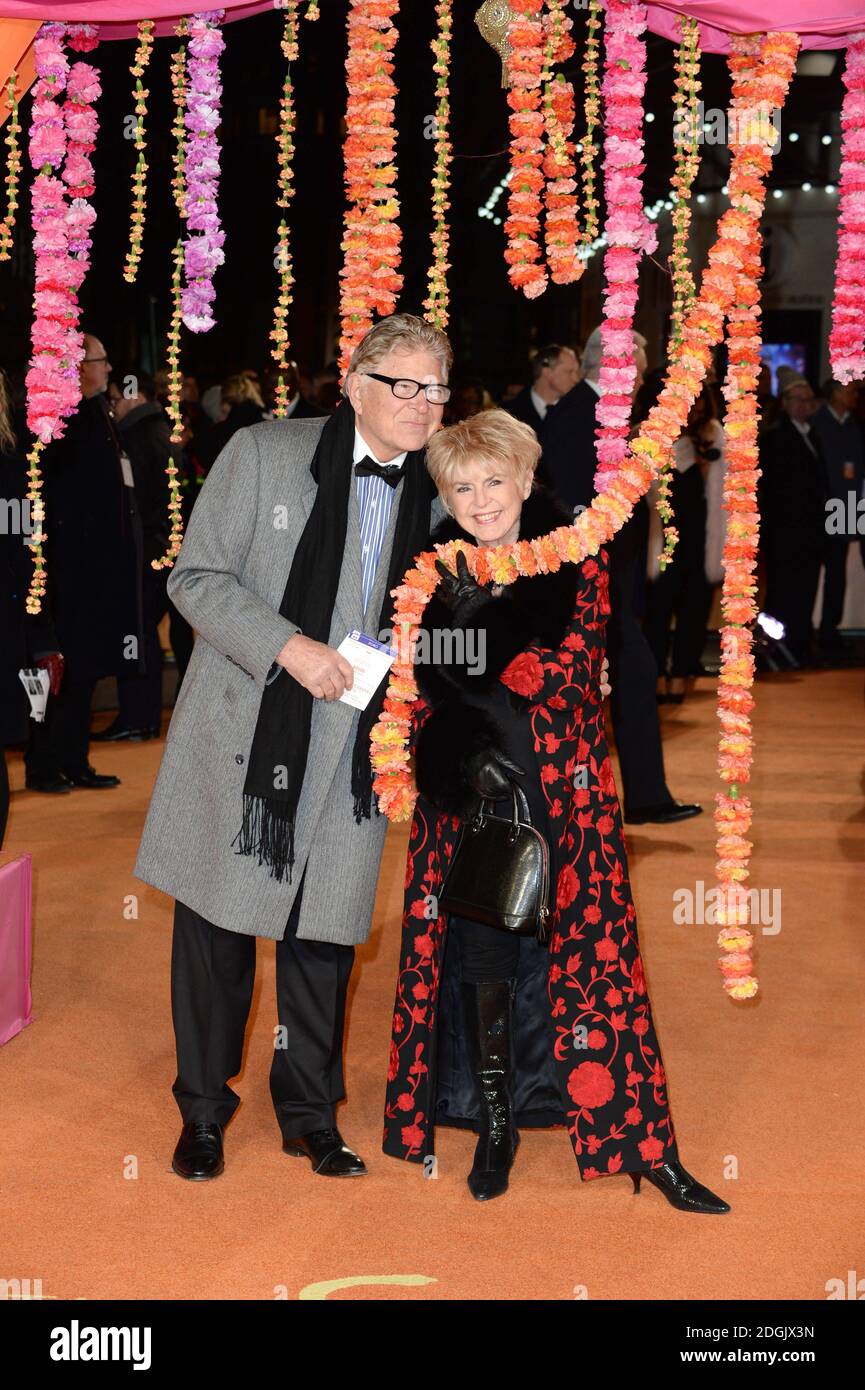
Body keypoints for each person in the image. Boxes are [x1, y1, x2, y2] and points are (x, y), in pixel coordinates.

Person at [382, 408, 728, 1215]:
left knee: (597, 967)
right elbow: (415, 692)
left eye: (492, 480)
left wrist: (485, 683)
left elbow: (570, 678)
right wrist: (462, 756)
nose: (478, 500)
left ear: (525, 480)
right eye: (460, 486)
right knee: (480, 959)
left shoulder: (573, 559)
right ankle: (495, 1122)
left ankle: (643, 1144)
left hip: (562, 795)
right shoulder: (426, 575)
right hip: (467, 800)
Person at [134, 313, 451, 1182]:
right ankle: (203, 1110)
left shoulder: (443, 486)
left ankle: (311, 1115)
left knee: (325, 937)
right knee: (217, 930)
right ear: (355, 385)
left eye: (436, 389)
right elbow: (193, 578)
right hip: (248, 734)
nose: (423, 405)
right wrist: (287, 644)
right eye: (405, 385)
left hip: (359, 748)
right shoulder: (266, 454)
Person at [539, 327, 701, 824]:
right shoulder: (577, 415)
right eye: (636, 368)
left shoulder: (600, 414)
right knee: (620, 676)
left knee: (630, 675)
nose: (638, 382)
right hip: (587, 578)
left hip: (610, 575)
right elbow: (564, 502)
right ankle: (611, 797)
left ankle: (643, 796)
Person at [23, 334, 144, 792]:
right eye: (102, 360)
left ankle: (74, 759)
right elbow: (62, 501)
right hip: (69, 574)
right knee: (56, 674)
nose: (110, 369)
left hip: (97, 574)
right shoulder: (63, 420)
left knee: (86, 671)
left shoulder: (99, 415)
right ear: (78, 367)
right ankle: (45, 762)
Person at [94, 372, 173, 742]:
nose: (112, 404)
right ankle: (141, 717)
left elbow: (140, 501)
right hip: (159, 547)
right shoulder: (160, 431)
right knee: (143, 634)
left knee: (138, 633)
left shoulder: (139, 436)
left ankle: (137, 717)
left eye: (116, 397)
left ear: (134, 395)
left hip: (147, 550)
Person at [645, 386, 726, 703]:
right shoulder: (656, 433)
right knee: (658, 612)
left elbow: (727, 489)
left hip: (701, 537)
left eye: (700, 402)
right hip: (664, 537)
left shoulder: (716, 435)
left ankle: (680, 678)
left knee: (694, 613)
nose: (694, 409)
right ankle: (656, 678)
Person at [759, 375, 829, 666]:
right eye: (799, 400)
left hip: (809, 530)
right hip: (785, 531)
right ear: (786, 404)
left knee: (805, 588)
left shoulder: (812, 434)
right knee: (783, 589)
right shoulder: (776, 436)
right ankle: (776, 648)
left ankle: (798, 644)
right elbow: (774, 488)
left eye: (808, 400)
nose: (805, 406)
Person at [810, 379, 865, 649]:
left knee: (837, 572)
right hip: (819, 508)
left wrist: (855, 516)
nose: (856, 395)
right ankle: (802, 628)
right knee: (810, 570)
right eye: (852, 390)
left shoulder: (853, 427)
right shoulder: (817, 424)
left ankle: (829, 629)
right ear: (836, 393)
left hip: (844, 507)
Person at [505, 343, 580, 436]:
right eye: (569, 372)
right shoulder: (509, 415)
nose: (576, 379)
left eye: (577, 372)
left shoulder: (581, 412)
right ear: (547, 372)